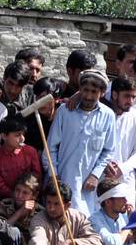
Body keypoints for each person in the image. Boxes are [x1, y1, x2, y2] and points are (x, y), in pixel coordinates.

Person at [48, 69, 117, 216]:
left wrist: (95, 175)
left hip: (88, 187)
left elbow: (108, 150)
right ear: (79, 90)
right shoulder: (65, 112)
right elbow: (51, 147)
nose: (88, 96)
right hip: (63, 180)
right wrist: (54, 175)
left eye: (94, 91)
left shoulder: (108, 116)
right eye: (85, 90)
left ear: (102, 92)